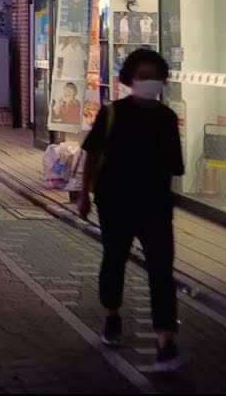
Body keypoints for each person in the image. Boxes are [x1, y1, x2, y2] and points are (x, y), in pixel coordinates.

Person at [78, 48, 184, 372]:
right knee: (114, 261)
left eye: (155, 76)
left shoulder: (167, 118)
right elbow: (92, 154)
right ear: (129, 79)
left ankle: (165, 341)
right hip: (115, 204)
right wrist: (84, 194)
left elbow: (174, 166)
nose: (149, 81)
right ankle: (112, 314)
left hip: (155, 207)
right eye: (143, 76)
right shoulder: (112, 114)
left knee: (161, 271)